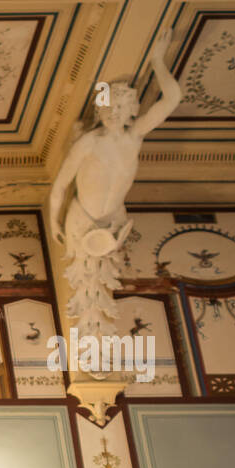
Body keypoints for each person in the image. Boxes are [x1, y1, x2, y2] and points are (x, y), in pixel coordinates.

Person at [48, 29, 182, 338]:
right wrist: (55, 220)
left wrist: (158, 61)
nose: (112, 113)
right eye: (107, 108)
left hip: (113, 221)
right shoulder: (89, 143)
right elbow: (59, 186)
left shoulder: (134, 138)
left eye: (119, 108)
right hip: (82, 220)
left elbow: (173, 98)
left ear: (132, 111)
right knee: (86, 283)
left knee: (99, 283)